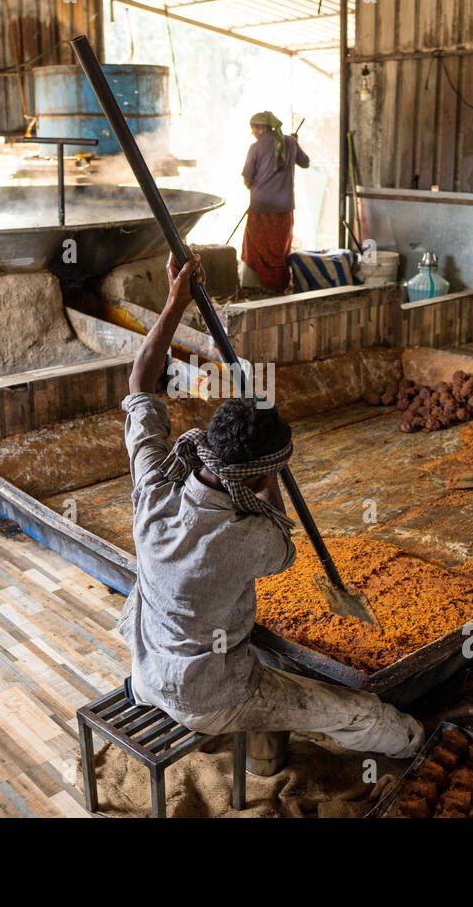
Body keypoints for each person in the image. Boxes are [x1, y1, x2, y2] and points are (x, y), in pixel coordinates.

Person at [117, 250, 423, 759]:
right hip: (210, 693)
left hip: (148, 667)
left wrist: (175, 302)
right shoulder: (250, 539)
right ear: (259, 473)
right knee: (364, 714)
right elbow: (282, 540)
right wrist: (275, 469)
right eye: (270, 467)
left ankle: (205, 718)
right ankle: (414, 746)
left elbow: (139, 385)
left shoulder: (154, 489)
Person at [240, 111, 309, 293]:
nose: (253, 133)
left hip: (260, 207)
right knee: (280, 246)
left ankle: (253, 285)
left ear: (261, 128)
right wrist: (294, 143)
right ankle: (278, 286)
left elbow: (247, 179)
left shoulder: (255, 148)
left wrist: (256, 188)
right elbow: (305, 162)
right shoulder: (290, 142)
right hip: (284, 208)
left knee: (255, 245)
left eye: (253, 129)